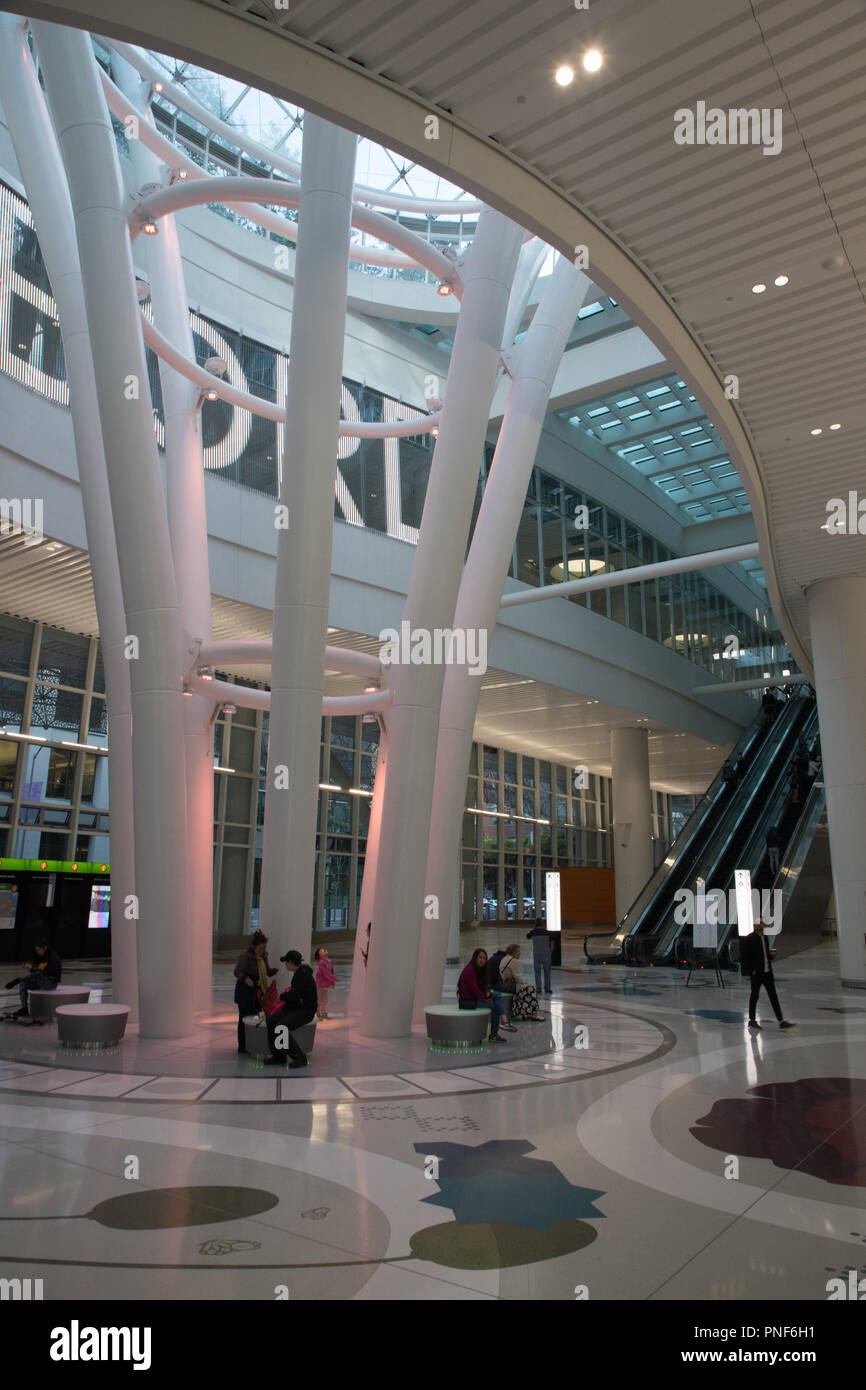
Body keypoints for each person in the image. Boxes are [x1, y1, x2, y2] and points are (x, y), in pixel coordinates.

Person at [263, 950, 318, 1068]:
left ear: (291, 962)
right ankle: (279, 1056)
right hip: (296, 1007)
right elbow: (295, 994)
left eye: (286, 962)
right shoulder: (299, 973)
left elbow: (295, 994)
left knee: (281, 1027)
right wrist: (284, 997)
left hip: (306, 1010)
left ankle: (299, 1058)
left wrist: (282, 997)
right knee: (271, 1020)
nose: (285, 965)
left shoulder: (303, 974)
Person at [740, 919, 795, 1031]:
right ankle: (752, 1020)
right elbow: (745, 957)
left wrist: (771, 956)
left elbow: (764, 955)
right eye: (760, 923)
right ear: (756, 925)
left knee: (773, 996)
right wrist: (752, 970)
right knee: (754, 995)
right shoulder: (750, 939)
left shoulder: (765, 938)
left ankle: (781, 1021)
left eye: (762, 923)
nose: (762, 925)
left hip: (767, 972)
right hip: (757, 973)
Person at [233, 930, 277, 1055]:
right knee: (244, 1018)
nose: (262, 950)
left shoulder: (263, 957)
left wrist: (272, 971)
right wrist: (246, 979)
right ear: (253, 947)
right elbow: (237, 972)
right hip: (245, 992)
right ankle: (242, 1046)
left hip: (257, 992)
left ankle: (252, 1043)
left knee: (256, 1016)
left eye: (264, 948)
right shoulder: (246, 957)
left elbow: (266, 971)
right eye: (260, 948)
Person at [457, 948, 513, 1042]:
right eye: (480, 957)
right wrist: (485, 997)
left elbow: (483, 986)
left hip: (476, 997)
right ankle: (496, 1031)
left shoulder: (479, 969)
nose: (482, 960)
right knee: (494, 1007)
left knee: (497, 995)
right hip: (469, 1000)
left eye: (484, 958)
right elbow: (474, 989)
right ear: (475, 958)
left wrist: (487, 993)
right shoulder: (469, 970)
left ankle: (503, 1020)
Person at [9, 940, 62, 1019]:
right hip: (41, 980)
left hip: (51, 983)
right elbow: (38, 972)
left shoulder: (53, 959)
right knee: (23, 984)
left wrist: (31, 970)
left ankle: (19, 979)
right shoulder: (41, 957)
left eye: (38, 950)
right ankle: (24, 1009)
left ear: (44, 948)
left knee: (37, 976)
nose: (37, 952)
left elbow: (44, 974)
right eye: (36, 950)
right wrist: (31, 969)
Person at [499, 944, 544, 1021]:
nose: (520, 953)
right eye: (518, 952)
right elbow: (516, 976)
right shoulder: (513, 960)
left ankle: (520, 1012)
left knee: (524, 990)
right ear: (514, 953)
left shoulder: (504, 959)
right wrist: (524, 983)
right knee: (531, 989)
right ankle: (534, 1014)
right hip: (512, 985)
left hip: (505, 984)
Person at [526, 919, 553, 994]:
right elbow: (552, 943)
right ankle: (547, 989)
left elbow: (527, 936)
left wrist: (533, 931)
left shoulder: (533, 932)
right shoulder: (547, 932)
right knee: (547, 973)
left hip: (537, 955)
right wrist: (550, 952)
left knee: (537, 973)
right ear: (543, 924)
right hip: (546, 955)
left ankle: (538, 989)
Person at [314, 946, 338, 1020]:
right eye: (322, 950)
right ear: (319, 955)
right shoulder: (321, 963)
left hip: (326, 984)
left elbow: (331, 972)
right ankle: (318, 1014)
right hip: (320, 984)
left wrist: (332, 982)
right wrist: (334, 979)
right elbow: (326, 973)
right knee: (320, 1000)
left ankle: (323, 1013)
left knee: (325, 999)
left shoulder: (329, 961)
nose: (324, 950)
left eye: (324, 949)